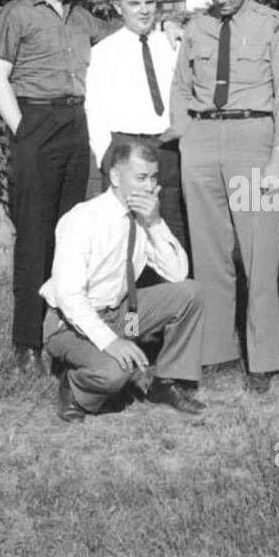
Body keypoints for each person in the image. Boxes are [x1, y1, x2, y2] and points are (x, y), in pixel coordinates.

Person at [168, 0, 279, 394]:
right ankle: (217, 350)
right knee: (209, 252)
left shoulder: (272, 25)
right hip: (202, 141)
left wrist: (278, 155)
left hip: (251, 141)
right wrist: (185, 137)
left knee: (259, 252)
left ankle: (262, 359)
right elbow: (181, 86)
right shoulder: (196, 28)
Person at [0, 0, 108, 376]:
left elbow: (120, 39)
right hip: (35, 123)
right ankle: (26, 344)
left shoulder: (83, 18)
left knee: (70, 235)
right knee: (35, 237)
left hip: (77, 125)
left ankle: (66, 332)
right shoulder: (17, 13)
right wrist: (23, 132)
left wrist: (166, 25)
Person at [41, 140, 206, 423]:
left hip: (121, 313)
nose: (149, 187)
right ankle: (74, 386)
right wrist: (111, 342)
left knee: (192, 292)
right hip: (68, 323)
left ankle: (165, 384)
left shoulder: (142, 217)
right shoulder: (82, 219)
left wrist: (154, 222)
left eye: (153, 178)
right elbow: (69, 296)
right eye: (140, 178)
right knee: (116, 373)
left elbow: (178, 274)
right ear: (115, 177)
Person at [85, 0, 188, 251]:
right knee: (127, 235)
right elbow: (94, 108)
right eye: (134, 4)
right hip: (126, 148)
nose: (143, 10)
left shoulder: (173, 43)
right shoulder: (105, 52)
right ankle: (133, 294)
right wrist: (107, 156)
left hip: (167, 148)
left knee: (172, 227)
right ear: (119, 7)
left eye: (149, 2)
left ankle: (175, 292)